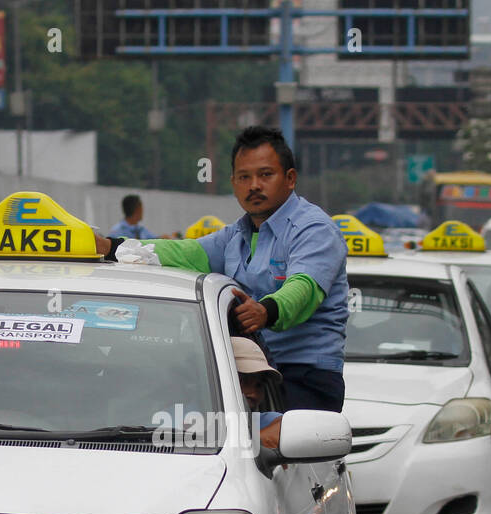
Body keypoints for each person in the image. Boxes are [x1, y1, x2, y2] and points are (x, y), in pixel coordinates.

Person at [96, 126, 349, 412]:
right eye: (244, 177)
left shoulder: (315, 229)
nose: (254, 185)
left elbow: (303, 289)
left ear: (290, 179)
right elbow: (184, 252)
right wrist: (110, 247)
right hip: (242, 371)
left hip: (303, 376)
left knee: (266, 446)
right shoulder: (235, 235)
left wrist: (266, 310)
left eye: (265, 175)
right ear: (233, 183)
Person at [232, 336, 283, 450]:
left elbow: (296, 427)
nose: (254, 394)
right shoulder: (188, 421)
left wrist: (256, 442)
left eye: (259, 385)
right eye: (243, 381)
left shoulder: (266, 423)